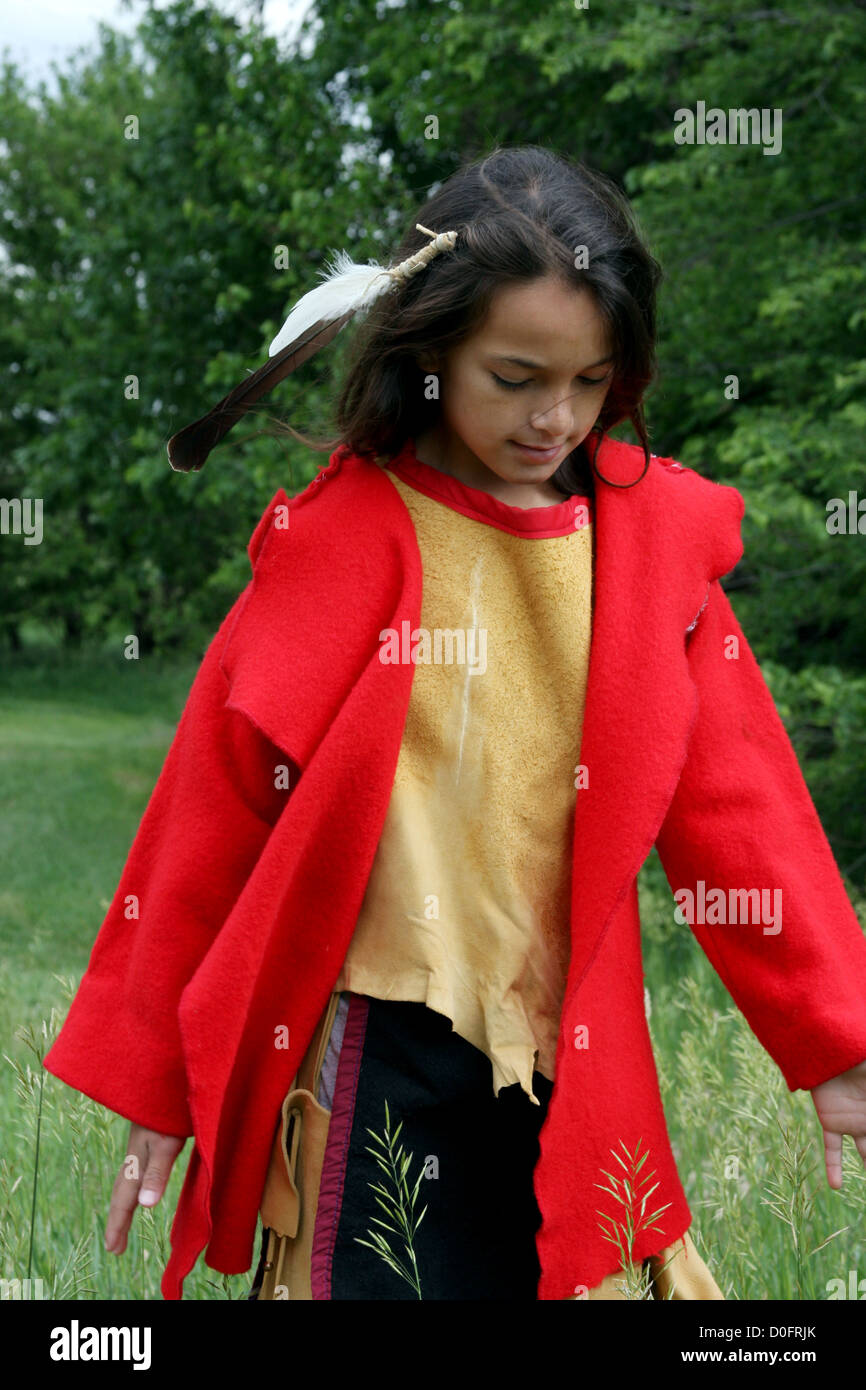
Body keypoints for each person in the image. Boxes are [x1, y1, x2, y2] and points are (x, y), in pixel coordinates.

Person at [43, 145, 866, 1302]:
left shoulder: (644, 548)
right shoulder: (338, 541)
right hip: (375, 1055)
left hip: (570, 1065)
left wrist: (836, 1045)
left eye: (587, 381)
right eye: (515, 375)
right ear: (429, 350)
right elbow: (210, 815)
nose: (554, 417)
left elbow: (741, 808)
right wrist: (159, 1091)